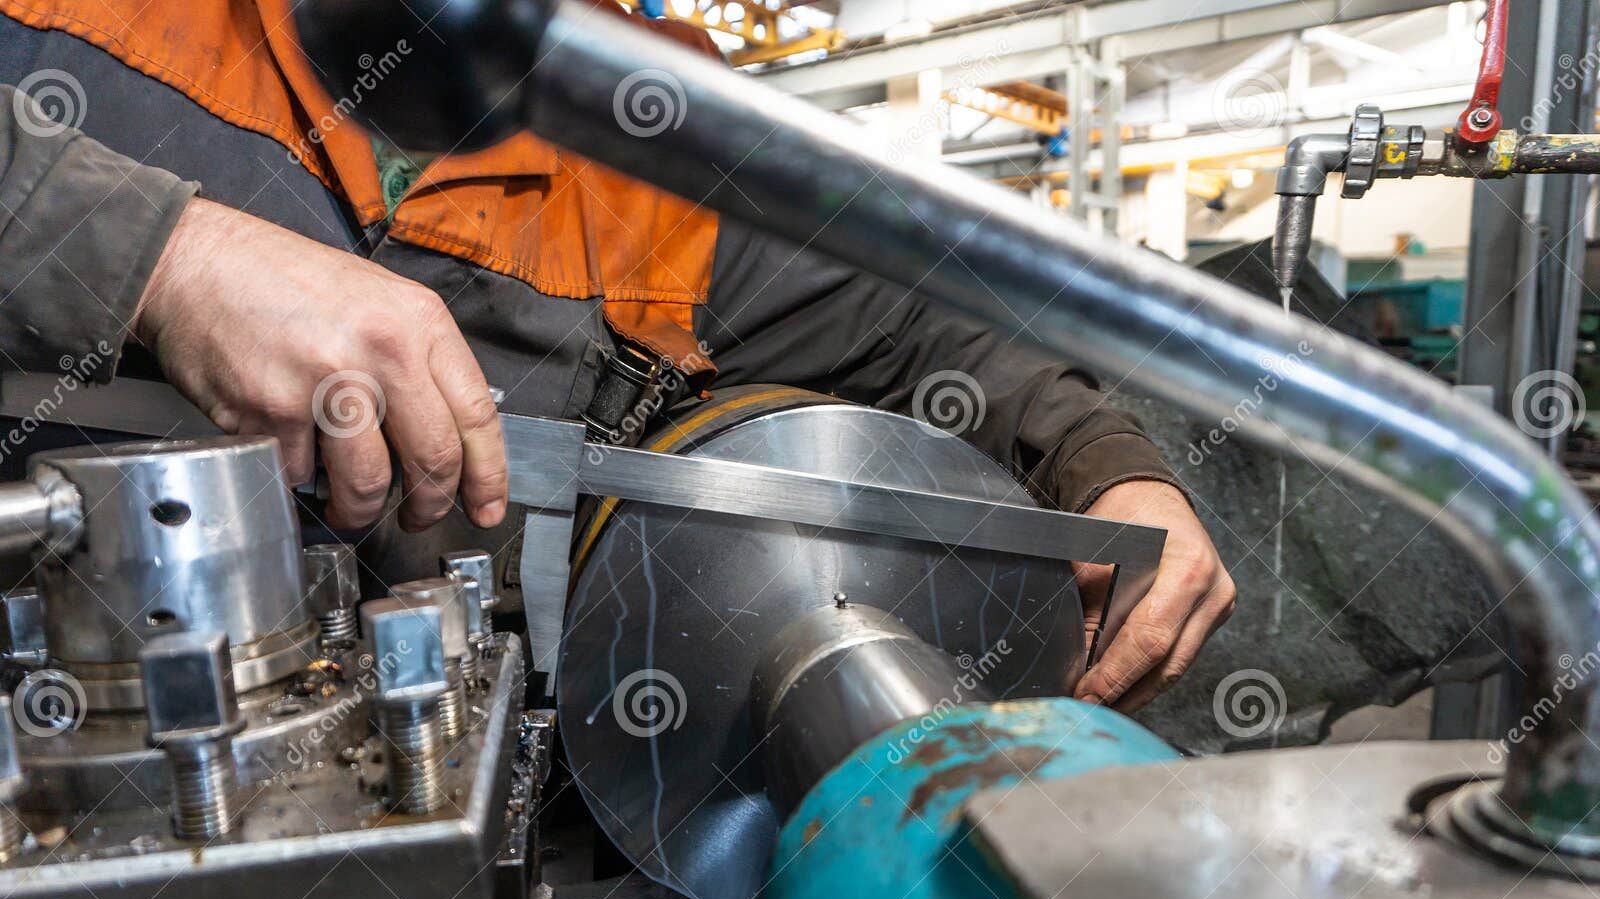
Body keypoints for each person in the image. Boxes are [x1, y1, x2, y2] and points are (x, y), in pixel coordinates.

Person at [0, 0, 1233, 712]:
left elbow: (917, 326)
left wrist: (1104, 465)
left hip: (419, 830)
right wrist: (159, 256)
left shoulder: (646, 110)